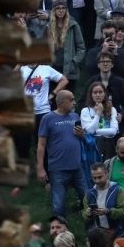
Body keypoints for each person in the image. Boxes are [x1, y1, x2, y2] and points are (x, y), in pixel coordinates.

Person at [36, 89, 87, 219]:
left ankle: (91, 226)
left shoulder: (75, 116)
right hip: (58, 169)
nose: (74, 103)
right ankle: (59, 231)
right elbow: (41, 145)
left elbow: (82, 138)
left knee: (88, 199)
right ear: (62, 102)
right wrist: (40, 168)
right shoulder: (48, 118)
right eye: (71, 100)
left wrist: (82, 134)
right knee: (58, 205)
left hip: (77, 167)